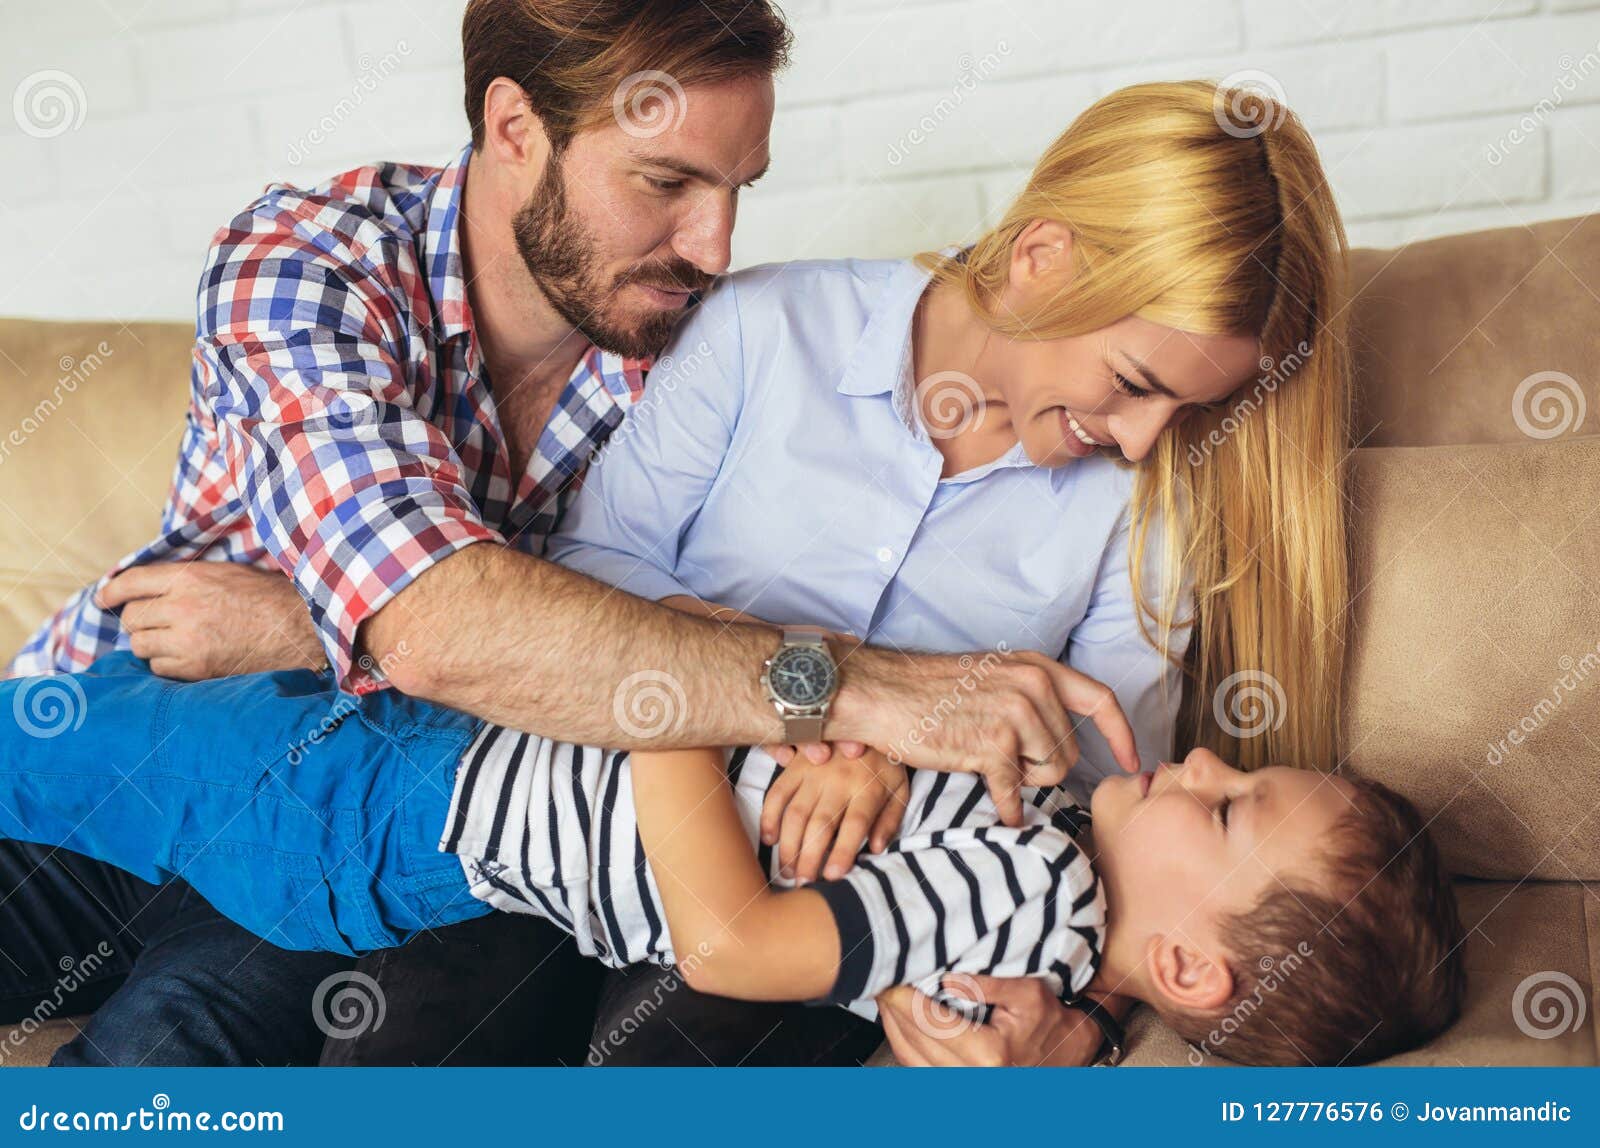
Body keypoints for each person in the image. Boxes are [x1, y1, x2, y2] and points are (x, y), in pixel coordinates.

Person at [2, 0, 1112, 1067]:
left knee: (163, 1064)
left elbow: (628, 650)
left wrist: (308, 622)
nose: (714, 246)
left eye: (736, 189)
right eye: (667, 182)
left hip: (364, 834)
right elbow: (439, 621)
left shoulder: (691, 348)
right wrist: (862, 691)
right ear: (515, 129)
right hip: (117, 747)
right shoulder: (309, 264)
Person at [0, 659, 1466, 1067]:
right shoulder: (1044, 870)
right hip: (427, 781)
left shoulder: (1043, 894)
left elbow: (732, 946)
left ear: (1194, 963)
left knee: (69, 739)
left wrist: (660, 707)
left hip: (401, 815)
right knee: (98, 744)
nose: (1200, 759)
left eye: (1225, 808)